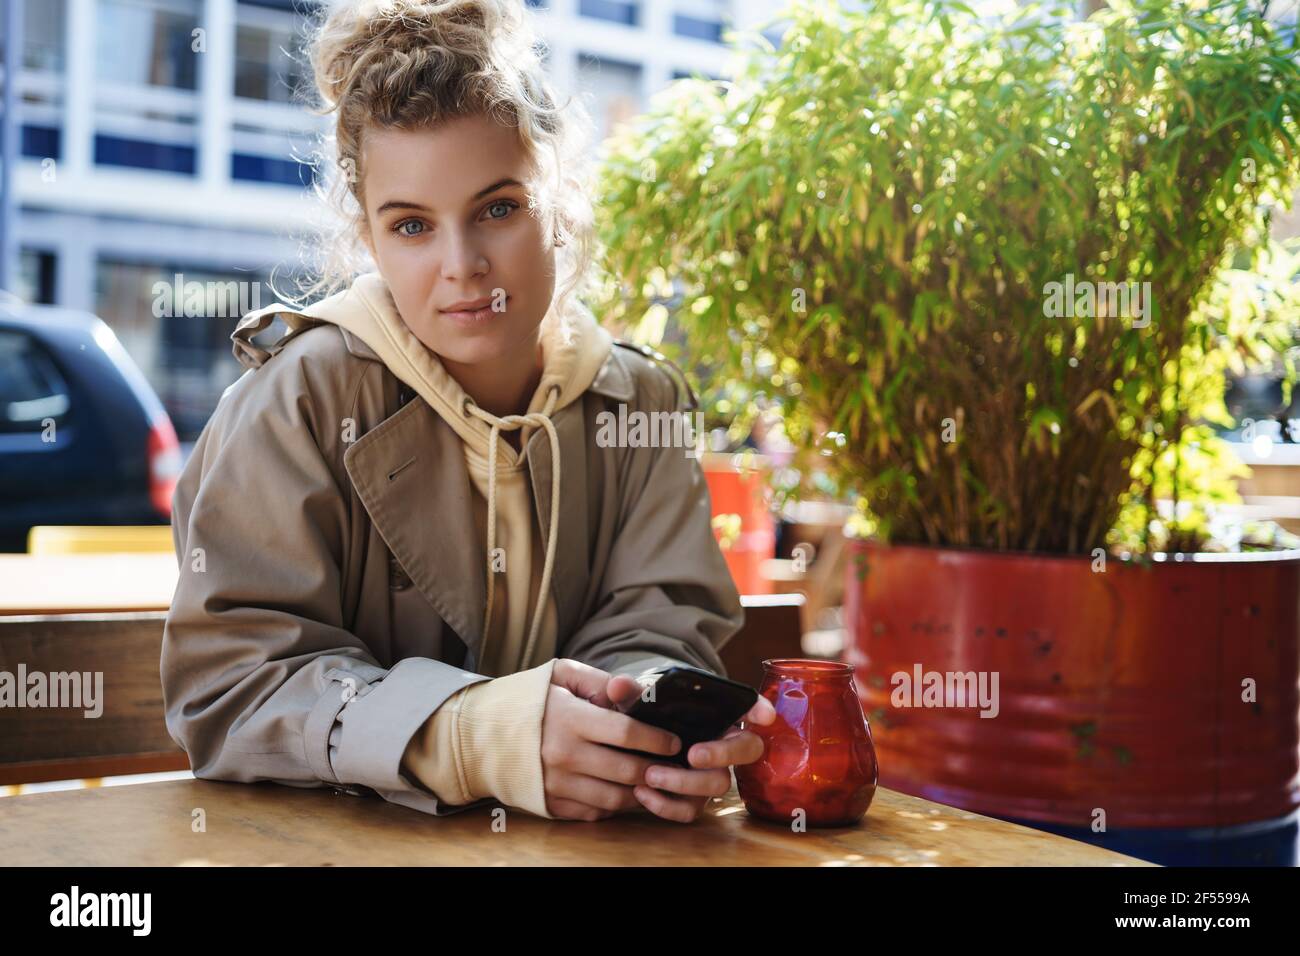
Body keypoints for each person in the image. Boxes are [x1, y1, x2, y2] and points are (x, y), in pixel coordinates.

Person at [160, 0, 774, 824]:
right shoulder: (298, 399)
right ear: (369, 240)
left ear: (559, 200)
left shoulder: (642, 400)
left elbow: (657, 628)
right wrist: (470, 737)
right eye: (412, 225)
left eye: (498, 208)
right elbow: (230, 687)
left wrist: (641, 729)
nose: (462, 265)